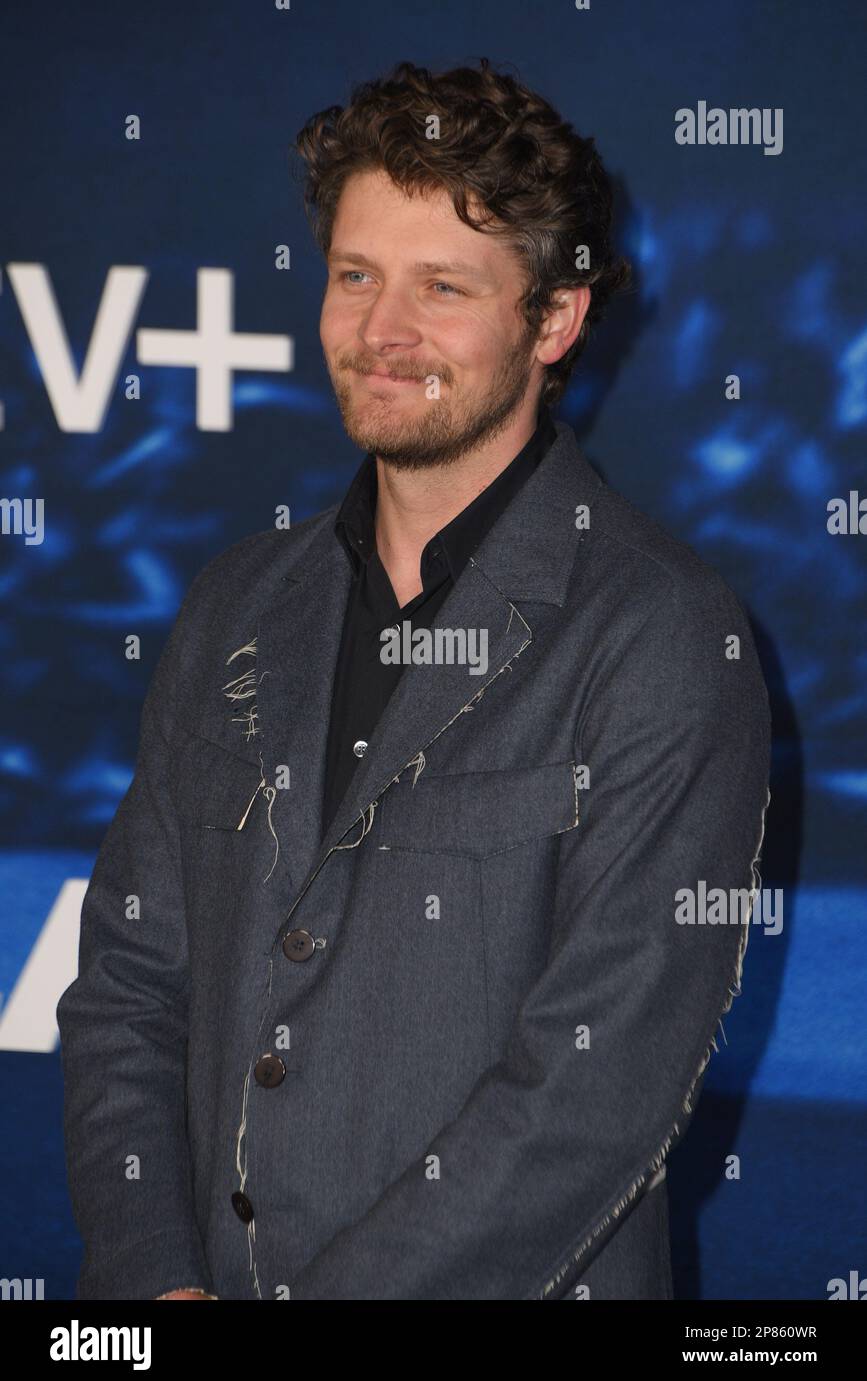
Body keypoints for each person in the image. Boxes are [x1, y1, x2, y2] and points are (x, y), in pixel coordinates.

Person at [56, 58, 771, 1300]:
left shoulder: (663, 635)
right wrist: (152, 1286)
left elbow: (592, 1099)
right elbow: (125, 984)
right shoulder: (238, 601)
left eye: (442, 287)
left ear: (554, 321)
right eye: (355, 277)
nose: (381, 332)